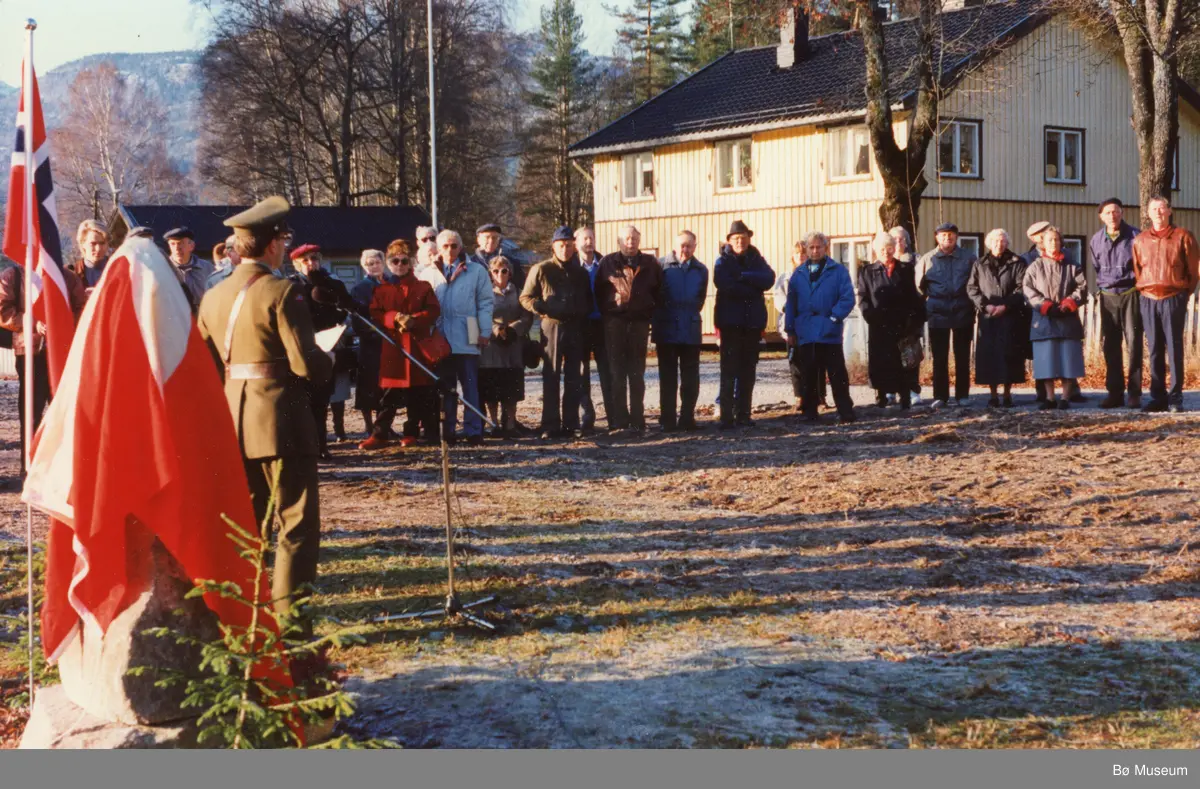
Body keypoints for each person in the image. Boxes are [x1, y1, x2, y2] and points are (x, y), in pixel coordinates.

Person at [195, 196, 332, 629]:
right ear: (273, 244)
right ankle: (291, 627)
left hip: (233, 422)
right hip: (282, 421)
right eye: (284, 239)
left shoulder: (212, 296)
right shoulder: (282, 291)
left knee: (247, 529)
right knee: (295, 524)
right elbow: (306, 364)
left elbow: (205, 366)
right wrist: (330, 358)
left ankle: (244, 622)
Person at [0, 257, 87, 475]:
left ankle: (66, 471)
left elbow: (81, 309)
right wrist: (31, 322)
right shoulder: (14, 276)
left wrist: (63, 324)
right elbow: (3, 310)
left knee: (64, 413)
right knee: (31, 415)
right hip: (30, 354)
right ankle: (29, 470)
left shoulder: (66, 277)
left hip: (62, 354)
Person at [362, 248, 441, 450]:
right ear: (389, 264)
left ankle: (411, 432)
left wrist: (414, 319)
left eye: (404, 261)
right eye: (395, 261)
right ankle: (380, 434)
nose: (399, 265)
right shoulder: (381, 289)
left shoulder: (423, 287)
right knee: (389, 394)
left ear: (411, 262)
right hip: (394, 347)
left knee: (417, 393)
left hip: (416, 346)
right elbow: (376, 313)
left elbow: (433, 310)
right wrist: (394, 318)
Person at [520, 226, 591, 440]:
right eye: (561, 245)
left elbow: (589, 300)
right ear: (553, 247)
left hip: (575, 328)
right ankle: (550, 424)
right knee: (551, 375)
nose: (565, 249)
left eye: (569, 245)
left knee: (573, 377)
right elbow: (525, 298)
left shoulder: (580, 273)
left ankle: (571, 424)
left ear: (574, 247)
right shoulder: (542, 269)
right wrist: (541, 307)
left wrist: (580, 311)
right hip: (551, 326)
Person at [1132, 195, 1200, 413]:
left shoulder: (1183, 236)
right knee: (1153, 348)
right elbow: (1137, 269)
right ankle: (1157, 396)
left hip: (1173, 297)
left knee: (1174, 346)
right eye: (1154, 209)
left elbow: (1194, 270)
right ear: (1148, 213)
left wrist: (1183, 294)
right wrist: (1146, 289)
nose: (1158, 213)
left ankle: (1175, 397)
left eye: (1162, 208)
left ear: (1169, 211)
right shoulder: (1140, 240)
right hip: (1148, 298)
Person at [595, 225, 663, 435]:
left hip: (639, 323)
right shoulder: (607, 263)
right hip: (615, 323)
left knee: (637, 374)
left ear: (639, 241)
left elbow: (659, 291)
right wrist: (610, 312)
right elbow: (598, 291)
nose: (630, 242)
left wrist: (648, 311)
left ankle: (637, 419)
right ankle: (619, 421)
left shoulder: (650, 263)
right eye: (626, 239)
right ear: (619, 242)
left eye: (634, 239)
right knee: (617, 373)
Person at [784, 231, 857, 424]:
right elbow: (791, 304)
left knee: (837, 374)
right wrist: (790, 329)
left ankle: (845, 411)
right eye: (811, 247)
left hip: (829, 331)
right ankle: (809, 412)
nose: (815, 251)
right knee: (808, 374)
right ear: (806, 249)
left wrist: (834, 317)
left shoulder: (838, 271)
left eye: (819, 247)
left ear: (826, 248)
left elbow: (847, 297)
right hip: (806, 332)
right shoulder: (798, 275)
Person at [289, 243, 351, 459]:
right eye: (305, 260)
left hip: (326, 347)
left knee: (322, 400)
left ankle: (321, 446)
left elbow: (344, 312)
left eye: (314, 259)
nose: (310, 264)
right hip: (300, 349)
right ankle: (305, 447)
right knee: (301, 402)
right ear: (296, 264)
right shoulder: (290, 286)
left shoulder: (332, 284)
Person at [431, 229, 493, 446]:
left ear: (460, 247)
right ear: (439, 248)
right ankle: (447, 430)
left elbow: (485, 302)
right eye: (445, 246)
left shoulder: (476, 271)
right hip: (440, 336)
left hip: (469, 331)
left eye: (454, 245)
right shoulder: (429, 272)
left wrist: (484, 331)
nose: (450, 250)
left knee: (470, 386)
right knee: (446, 387)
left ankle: (473, 430)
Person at [713, 220, 775, 429]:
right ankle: (726, 416)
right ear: (729, 241)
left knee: (748, 372)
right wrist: (753, 287)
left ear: (749, 239)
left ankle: (744, 414)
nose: (740, 241)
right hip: (730, 325)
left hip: (752, 325)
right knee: (729, 371)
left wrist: (743, 276)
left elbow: (769, 278)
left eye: (743, 238)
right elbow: (725, 285)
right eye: (736, 238)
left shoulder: (756, 258)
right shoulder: (722, 262)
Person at [857, 231, 925, 410]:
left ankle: (905, 397)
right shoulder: (867, 271)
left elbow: (912, 297)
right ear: (875, 251)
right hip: (878, 324)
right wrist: (870, 316)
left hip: (901, 325)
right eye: (881, 249)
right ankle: (881, 397)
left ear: (894, 249)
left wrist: (912, 321)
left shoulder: (905, 269)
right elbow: (863, 298)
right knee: (880, 362)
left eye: (889, 248)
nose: (885, 252)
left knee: (903, 363)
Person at [1023, 227, 1088, 410]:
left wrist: (1068, 303)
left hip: (1068, 319)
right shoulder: (1035, 266)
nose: (1053, 243)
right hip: (1044, 320)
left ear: (1061, 242)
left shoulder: (1072, 265)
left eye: (1056, 239)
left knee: (1068, 360)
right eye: (1049, 240)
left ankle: (1065, 398)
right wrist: (1046, 306)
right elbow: (1028, 290)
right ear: (1043, 243)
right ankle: (1050, 398)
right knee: (1047, 361)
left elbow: (1081, 287)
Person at [1089, 198, 1142, 409]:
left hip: (1130, 294)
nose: (1112, 216)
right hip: (1108, 296)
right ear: (1101, 216)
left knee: (1134, 343)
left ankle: (1134, 393)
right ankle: (1115, 393)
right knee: (1111, 345)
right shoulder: (1096, 240)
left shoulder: (1135, 236)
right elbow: (1096, 266)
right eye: (1108, 213)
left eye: (1116, 211)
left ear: (1122, 213)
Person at [966, 229, 1029, 408]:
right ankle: (993, 395)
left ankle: (1007, 394)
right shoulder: (980, 263)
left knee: (1010, 355)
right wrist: (985, 305)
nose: (999, 244)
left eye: (1002, 241)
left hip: (1010, 316)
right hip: (988, 316)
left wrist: (1006, 305)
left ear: (1007, 243)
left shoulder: (1017, 262)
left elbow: (1022, 287)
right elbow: (972, 288)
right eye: (995, 241)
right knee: (990, 356)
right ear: (989, 243)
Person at [918, 222, 976, 408]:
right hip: (938, 312)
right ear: (937, 237)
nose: (947, 238)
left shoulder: (968, 258)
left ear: (956, 237)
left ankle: (962, 395)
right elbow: (919, 286)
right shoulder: (928, 259)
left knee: (962, 356)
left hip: (962, 310)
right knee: (940, 357)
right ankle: (940, 396)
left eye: (951, 234)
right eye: (943, 235)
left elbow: (976, 282)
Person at [654, 231, 708, 432]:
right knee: (667, 378)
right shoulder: (661, 266)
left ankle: (687, 418)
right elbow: (655, 295)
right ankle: (667, 420)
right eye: (682, 245)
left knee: (690, 378)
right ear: (675, 246)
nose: (685, 249)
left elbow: (700, 299)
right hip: (666, 328)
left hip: (690, 329)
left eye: (689, 246)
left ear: (695, 247)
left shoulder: (701, 270)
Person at [480, 255, 532, 438]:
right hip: (491, 347)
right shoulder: (484, 293)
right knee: (491, 388)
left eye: (504, 270)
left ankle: (510, 424)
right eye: (495, 271)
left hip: (513, 345)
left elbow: (527, 316)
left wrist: (513, 329)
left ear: (510, 273)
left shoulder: (519, 292)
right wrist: (496, 330)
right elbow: (480, 315)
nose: (500, 274)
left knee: (511, 387)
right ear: (490, 273)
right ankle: (494, 424)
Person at [775, 241, 826, 413]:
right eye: (798, 253)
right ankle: (800, 396)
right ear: (793, 256)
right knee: (795, 361)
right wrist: (791, 310)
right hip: (793, 324)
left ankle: (820, 395)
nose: (801, 256)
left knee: (817, 359)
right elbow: (779, 299)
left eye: (804, 253)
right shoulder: (785, 277)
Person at [350, 248, 393, 437]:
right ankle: (369, 427)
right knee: (368, 387)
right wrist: (375, 332)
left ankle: (384, 425)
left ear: (383, 263)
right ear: (363, 266)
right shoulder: (359, 289)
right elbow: (357, 321)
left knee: (388, 388)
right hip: (370, 344)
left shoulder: (392, 284)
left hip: (391, 344)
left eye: (377, 262)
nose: (374, 266)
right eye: (369, 263)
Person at [576, 226, 610, 432]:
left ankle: (613, 415)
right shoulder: (572, 266)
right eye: (585, 239)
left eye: (591, 238)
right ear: (577, 242)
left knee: (607, 370)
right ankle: (587, 415)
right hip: (580, 325)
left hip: (602, 324)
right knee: (582, 372)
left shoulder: (605, 264)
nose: (589, 242)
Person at [889, 225, 923, 406]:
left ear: (907, 241)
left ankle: (913, 390)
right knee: (891, 354)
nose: (898, 242)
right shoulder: (884, 260)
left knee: (911, 354)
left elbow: (921, 286)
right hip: (890, 316)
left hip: (910, 314)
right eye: (895, 239)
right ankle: (891, 390)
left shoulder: (916, 259)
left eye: (901, 239)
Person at [164, 226, 215, 307]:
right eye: (173, 244)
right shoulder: (164, 269)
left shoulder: (207, 268)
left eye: (181, 243)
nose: (177, 248)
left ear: (191, 246)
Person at [470, 223, 524, 289]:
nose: (491, 241)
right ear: (478, 240)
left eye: (494, 238)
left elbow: (520, 287)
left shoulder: (510, 263)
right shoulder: (470, 263)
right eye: (487, 237)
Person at [70, 219, 110, 295]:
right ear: (82, 244)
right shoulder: (73, 274)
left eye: (102, 243)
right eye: (93, 244)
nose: (98, 249)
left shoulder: (118, 268)